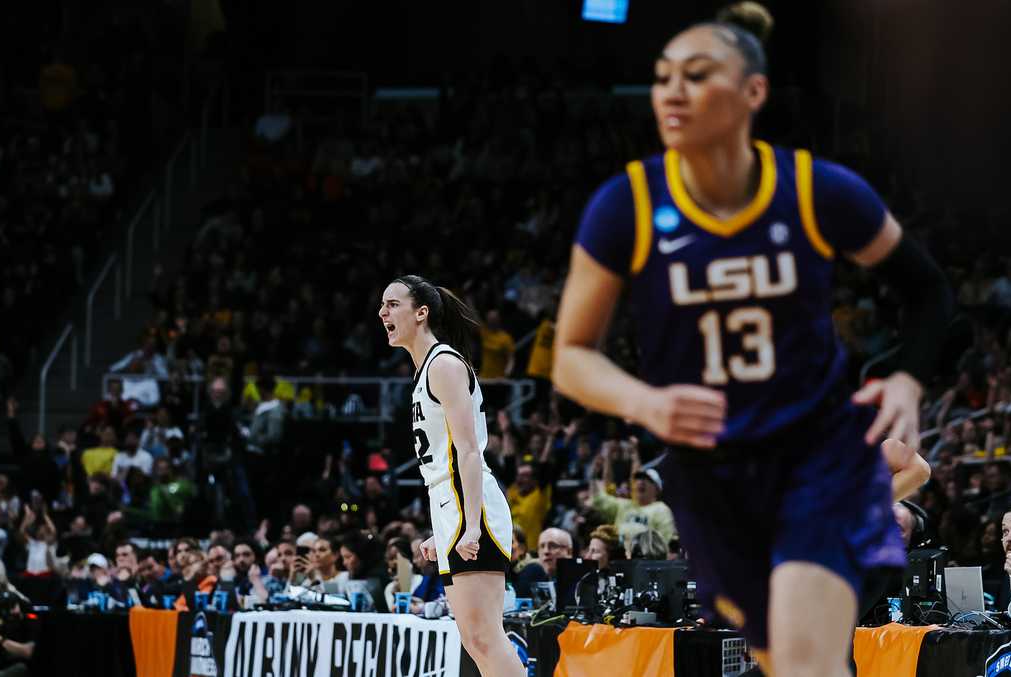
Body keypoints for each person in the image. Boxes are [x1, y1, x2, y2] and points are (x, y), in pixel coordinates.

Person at [550, 4, 953, 673]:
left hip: (811, 456)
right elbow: (570, 356)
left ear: (753, 91)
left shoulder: (815, 188)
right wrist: (645, 402)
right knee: (787, 661)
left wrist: (909, 378)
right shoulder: (627, 204)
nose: (672, 91)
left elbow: (929, 289)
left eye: (697, 75)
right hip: (715, 477)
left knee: (804, 656)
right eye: (663, 77)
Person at [380, 274, 523, 676]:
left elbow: (469, 450)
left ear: (421, 313)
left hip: (467, 501)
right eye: (382, 305)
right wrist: (441, 531)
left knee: (486, 637)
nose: (383, 312)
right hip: (450, 503)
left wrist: (471, 525)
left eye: (393, 304)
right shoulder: (426, 369)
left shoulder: (443, 364)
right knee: (474, 640)